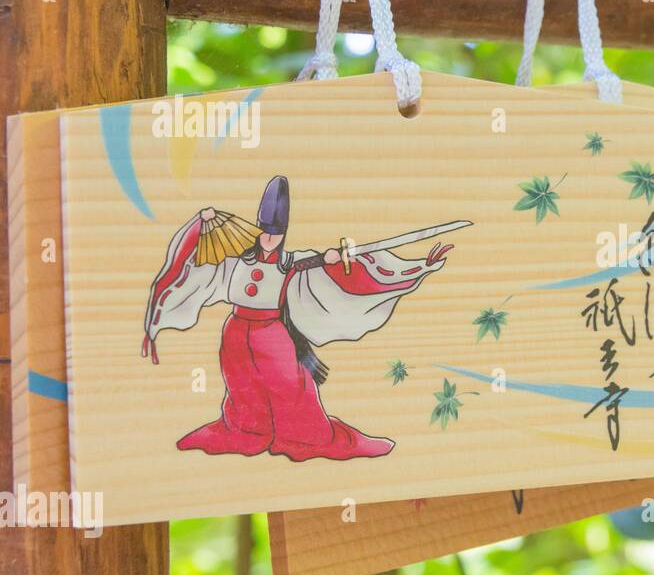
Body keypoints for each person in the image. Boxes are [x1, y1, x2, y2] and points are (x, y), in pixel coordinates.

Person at [143, 175, 453, 461]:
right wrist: (200, 223)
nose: (269, 239)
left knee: (293, 384)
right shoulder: (234, 257)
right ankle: (248, 430)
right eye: (265, 232)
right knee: (241, 389)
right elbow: (185, 256)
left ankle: (302, 437)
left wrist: (420, 267)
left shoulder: (290, 261)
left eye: (276, 234)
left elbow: (330, 264)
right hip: (235, 334)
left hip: (271, 332)